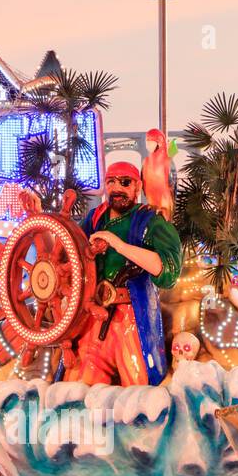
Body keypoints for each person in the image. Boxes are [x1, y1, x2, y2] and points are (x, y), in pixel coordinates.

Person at [66, 161, 182, 386]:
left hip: (132, 319)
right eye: (111, 182)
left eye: (125, 182)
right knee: (77, 387)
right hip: (94, 317)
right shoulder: (95, 219)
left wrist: (119, 245)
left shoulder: (150, 222)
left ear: (137, 187)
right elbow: (68, 246)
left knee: (138, 390)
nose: (117, 188)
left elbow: (169, 272)